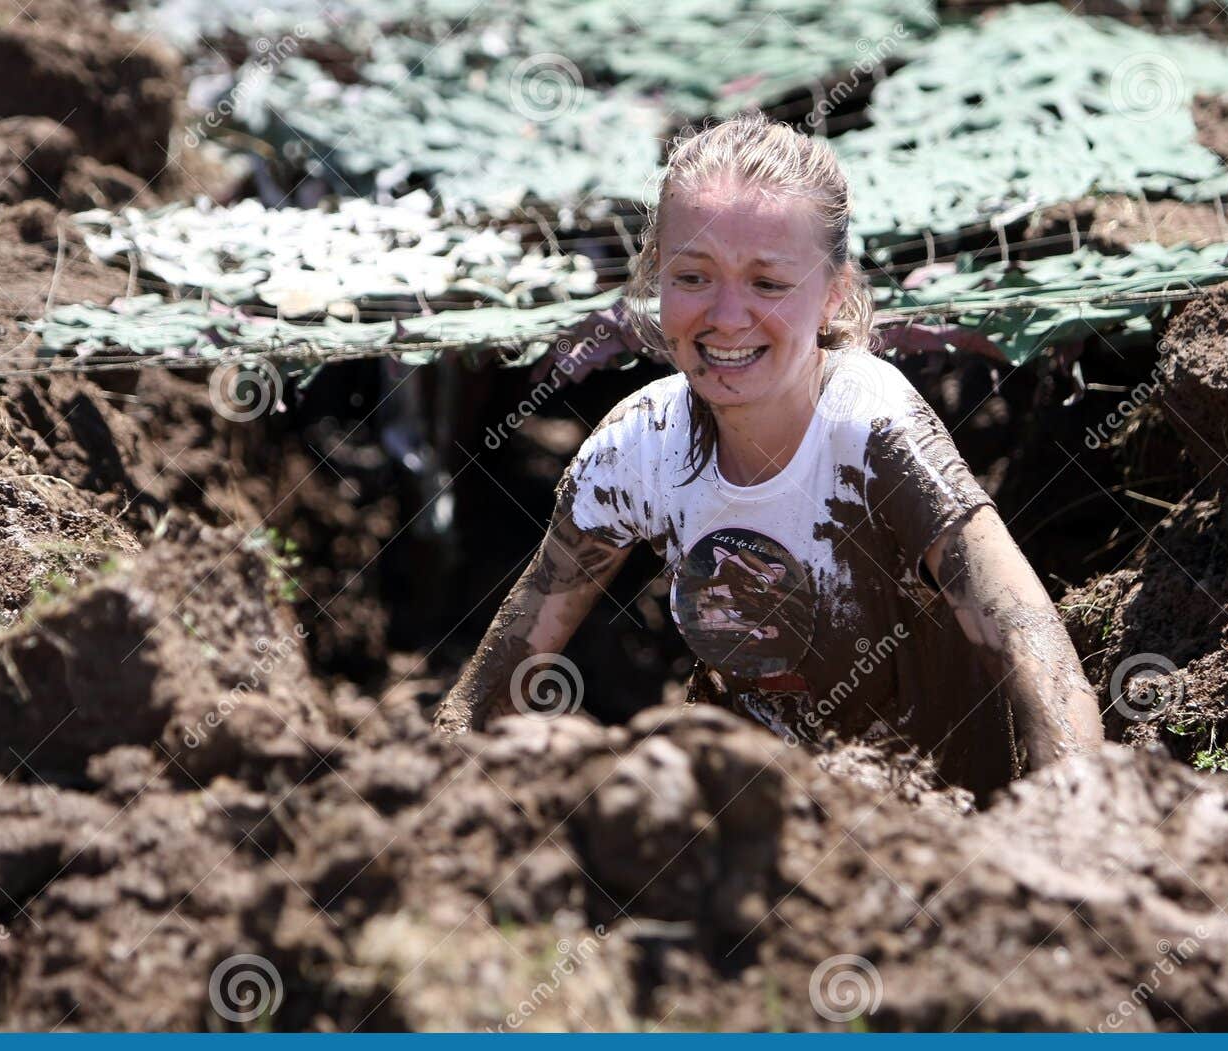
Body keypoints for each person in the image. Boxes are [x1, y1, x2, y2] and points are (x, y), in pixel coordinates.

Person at [435, 110, 1102, 795]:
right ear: (656, 276)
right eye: (693, 276)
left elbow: (1030, 638)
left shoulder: (872, 431)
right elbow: (493, 686)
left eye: (768, 283)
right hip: (750, 841)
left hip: (937, 837)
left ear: (831, 295)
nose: (726, 318)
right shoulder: (640, 446)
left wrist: (1069, 816)